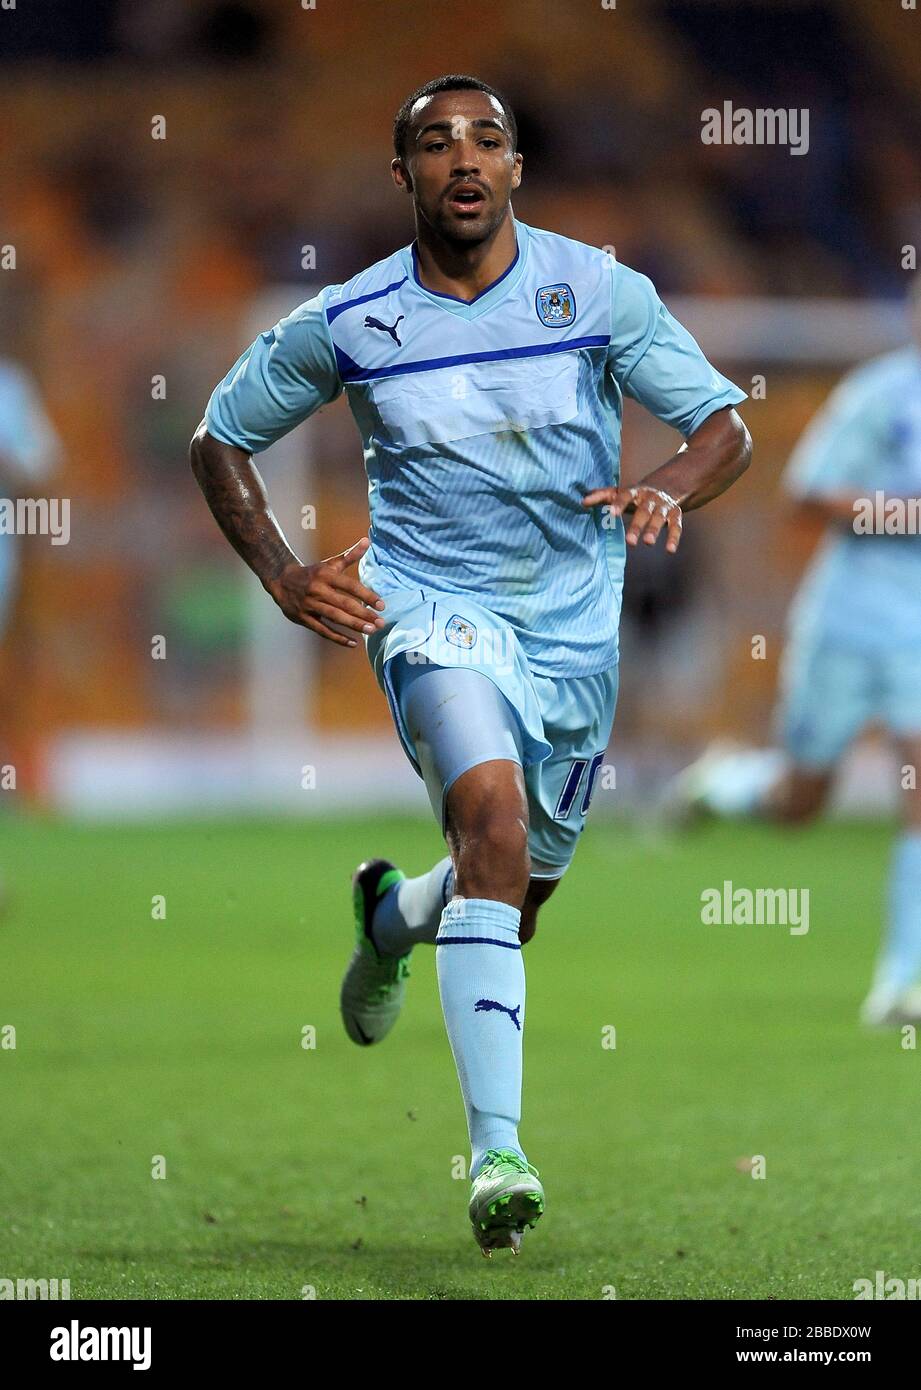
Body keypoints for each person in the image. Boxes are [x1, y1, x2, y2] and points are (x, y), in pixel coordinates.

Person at [191, 74, 751, 1255]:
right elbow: (219, 436)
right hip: (433, 609)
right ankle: (497, 1150)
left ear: (514, 168)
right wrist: (284, 576)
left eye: (485, 141)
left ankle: (392, 919)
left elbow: (724, 427)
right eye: (435, 143)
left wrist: (666, 487)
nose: (462, 160)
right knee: (488, 819)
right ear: (402, 175)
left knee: (515, 891)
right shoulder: (349, 320)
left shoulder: (595, 290)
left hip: (574, 632)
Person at [670, 286, 921, 1028]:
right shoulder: (879, 394)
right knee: (799, 802)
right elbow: (805, 494)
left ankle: (900, 981)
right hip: (847, 621)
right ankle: (722, 782)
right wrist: (905, 513)